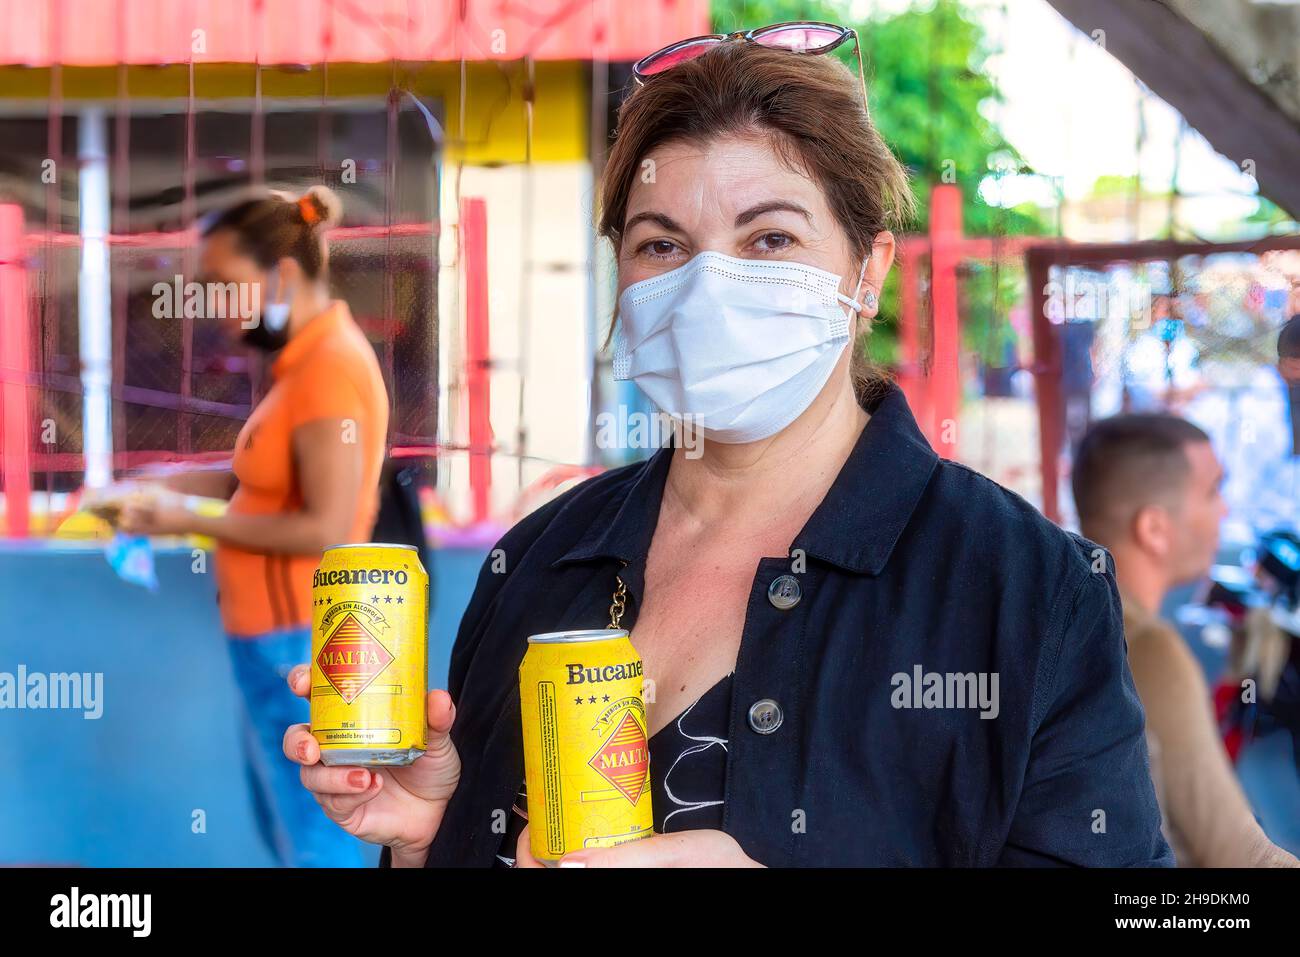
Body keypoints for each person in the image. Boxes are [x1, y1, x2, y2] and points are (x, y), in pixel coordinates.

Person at [285, 22, 1171, 867]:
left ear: (870, 271)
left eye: (770, 238)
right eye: (661, 243)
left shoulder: (1026, 592)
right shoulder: (536, 560)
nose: (710, 284)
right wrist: (423, 841)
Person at [121, 186, 388, 867]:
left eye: (222, 285)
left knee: (319, 835)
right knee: (293, 831)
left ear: (282, 275)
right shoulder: (300, 366)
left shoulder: (327, 370)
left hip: (301, 640)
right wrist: (169, 484)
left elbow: (328, 526)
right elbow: (261, 485)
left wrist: (183, 517)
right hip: (277, 641)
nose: (212, 306)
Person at [1073, 413, 1298, 867]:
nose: (1225, 511)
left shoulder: (1073, 619)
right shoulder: (1146, 648)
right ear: (1154, 528)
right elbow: (1238, 854)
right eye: (1213, 491)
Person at [1187, 310, 1300, 537]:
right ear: (1292, 362)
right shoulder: (1252, 407)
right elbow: (1239, 489)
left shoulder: (1284, 399)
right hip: (1250, 537)